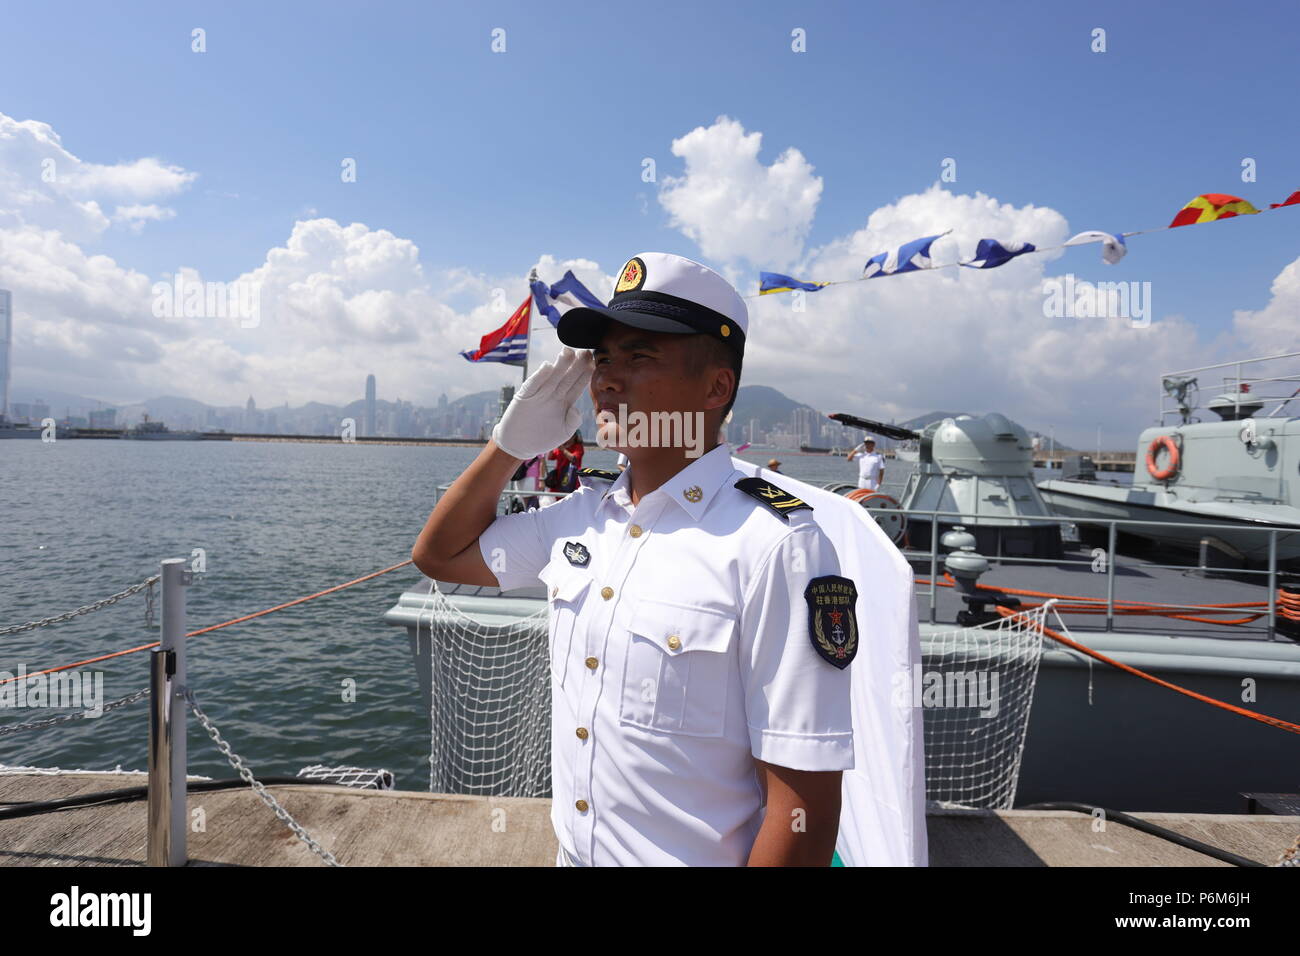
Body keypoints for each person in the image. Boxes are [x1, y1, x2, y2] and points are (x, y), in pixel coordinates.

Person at [411, 251, 857, 867]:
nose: (606, 380)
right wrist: (507, 448)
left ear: (716, 387)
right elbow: (439, 555)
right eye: (603, 359)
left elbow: (803, 806)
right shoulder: (582, 519)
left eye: (640, 357)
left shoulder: (778, 545)